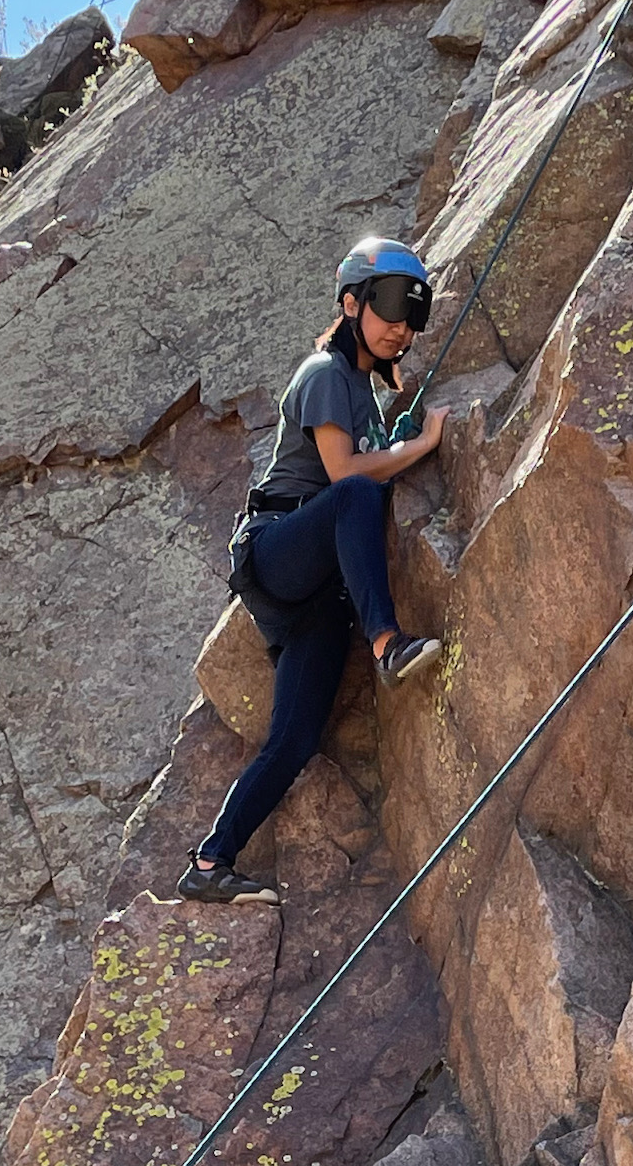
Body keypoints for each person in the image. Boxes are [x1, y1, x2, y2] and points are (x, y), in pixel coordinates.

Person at [178, 238, 449, 905]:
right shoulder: (326, 372)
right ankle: (387, 645)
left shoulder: (361, 391)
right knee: (356, 492)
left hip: (316, 593)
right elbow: (344, 475)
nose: (401, 327)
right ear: (352, 304)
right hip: (277, 548)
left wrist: (395, 438)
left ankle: (210, 865)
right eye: (390, 306)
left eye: (413, 314)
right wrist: (419, 446)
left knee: (294, 738)